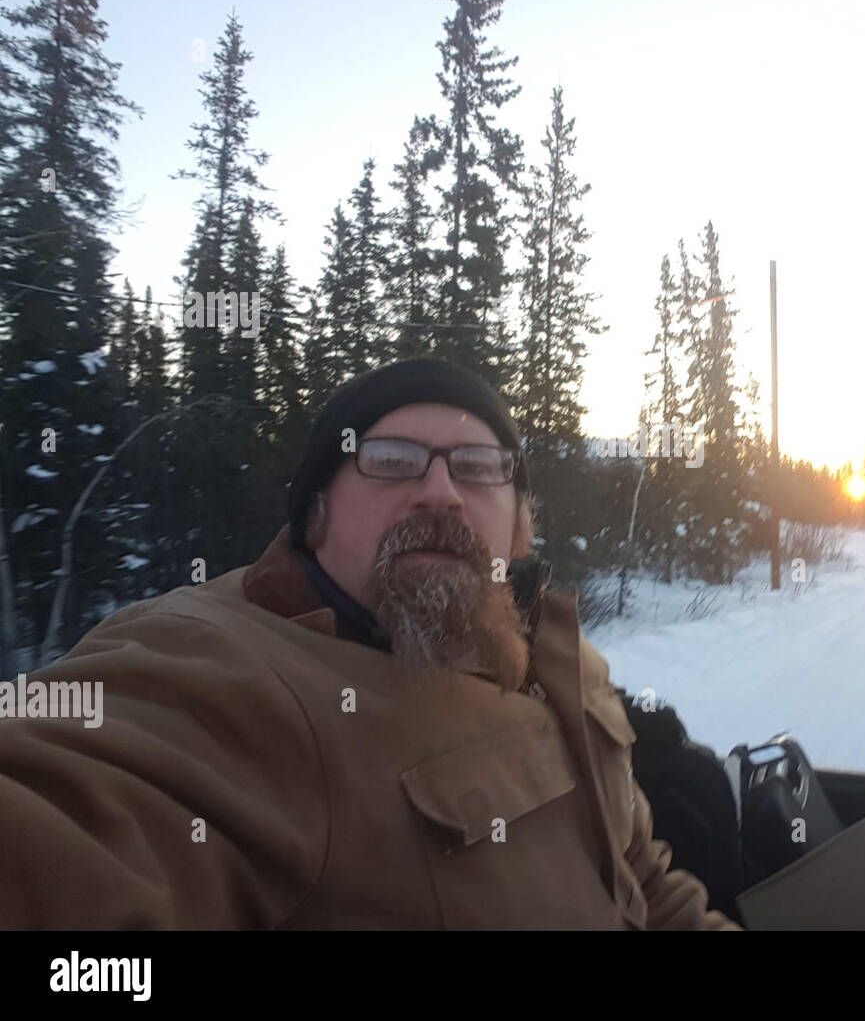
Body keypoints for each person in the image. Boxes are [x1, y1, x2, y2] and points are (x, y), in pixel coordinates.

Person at [0, 357, 741, 930]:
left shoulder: (554, 649)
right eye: (390, 461)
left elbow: (644, 876)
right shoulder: (228, 669)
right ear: (314, 518)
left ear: (520, 526)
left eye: (479, 468)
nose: (442, 493)